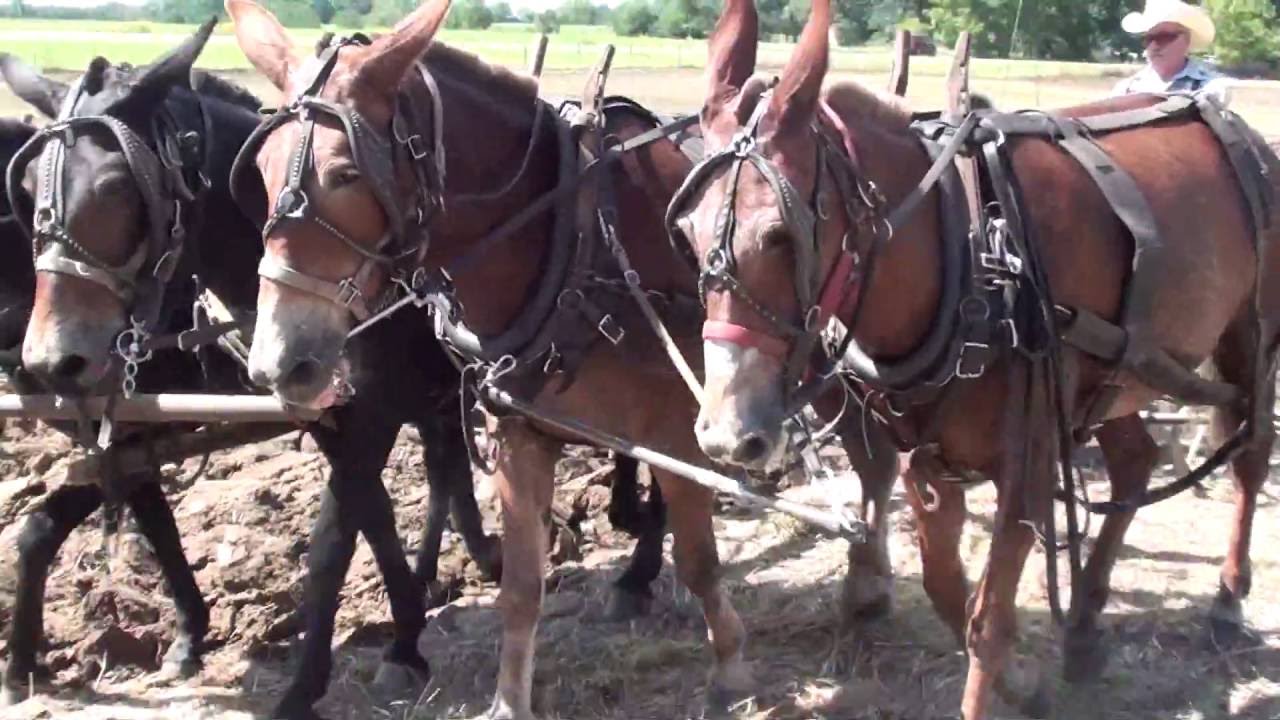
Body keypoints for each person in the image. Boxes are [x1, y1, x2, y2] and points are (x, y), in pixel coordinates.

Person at [1112, 0, 1232, 105]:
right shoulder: (1125, 90)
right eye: (1149, 39)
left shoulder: (1210, 89)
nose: (1153, 46)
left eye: (1164, 37)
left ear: (1186, 40)